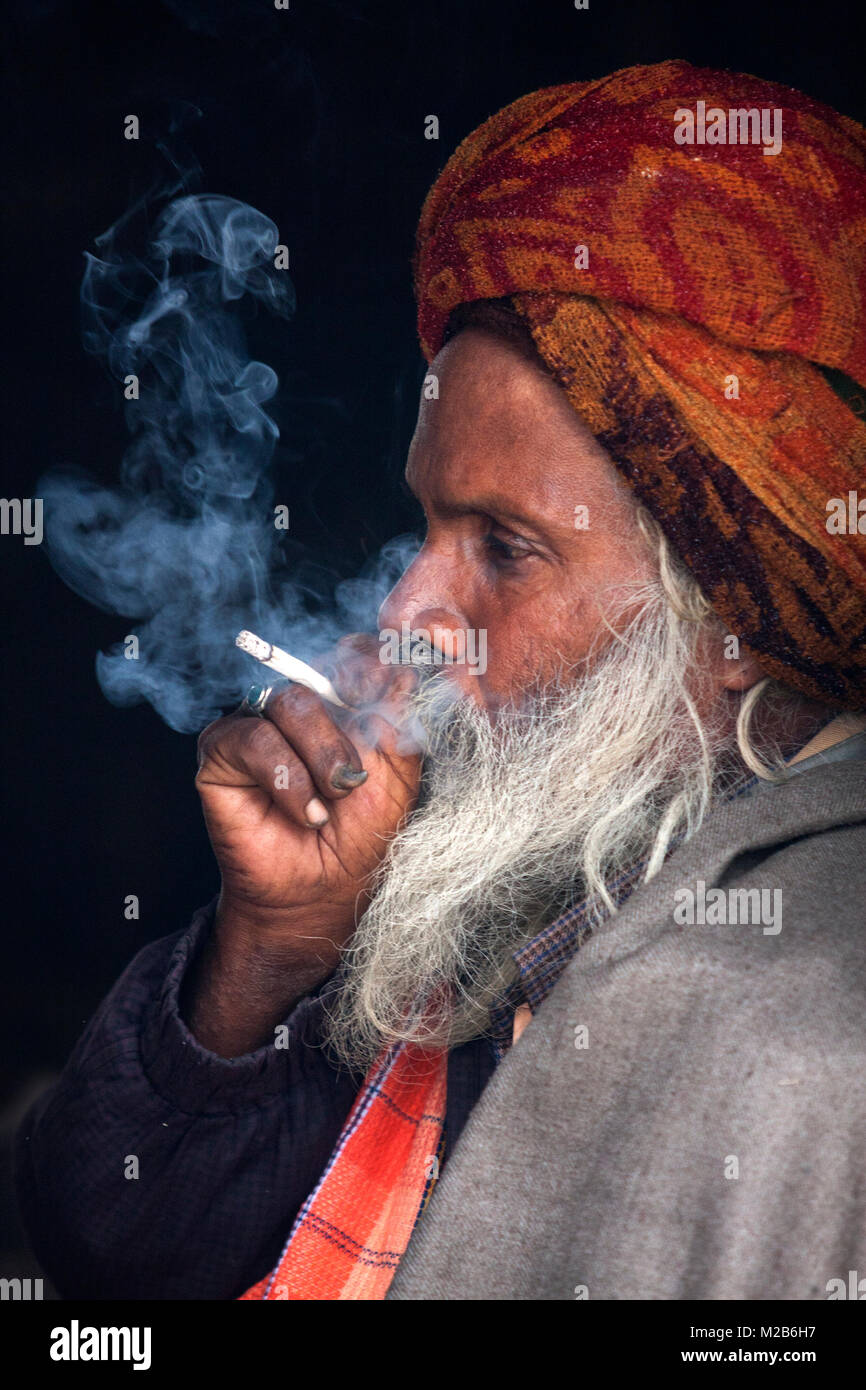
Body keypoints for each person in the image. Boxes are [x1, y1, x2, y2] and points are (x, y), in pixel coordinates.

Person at [15, 59, 866, 1300]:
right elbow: (108, 1249)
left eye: (504, 549)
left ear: (731, 607)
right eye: (425, 527)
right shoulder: (505, 877)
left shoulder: (805, 1022)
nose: (409, 612)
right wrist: (266, 957)